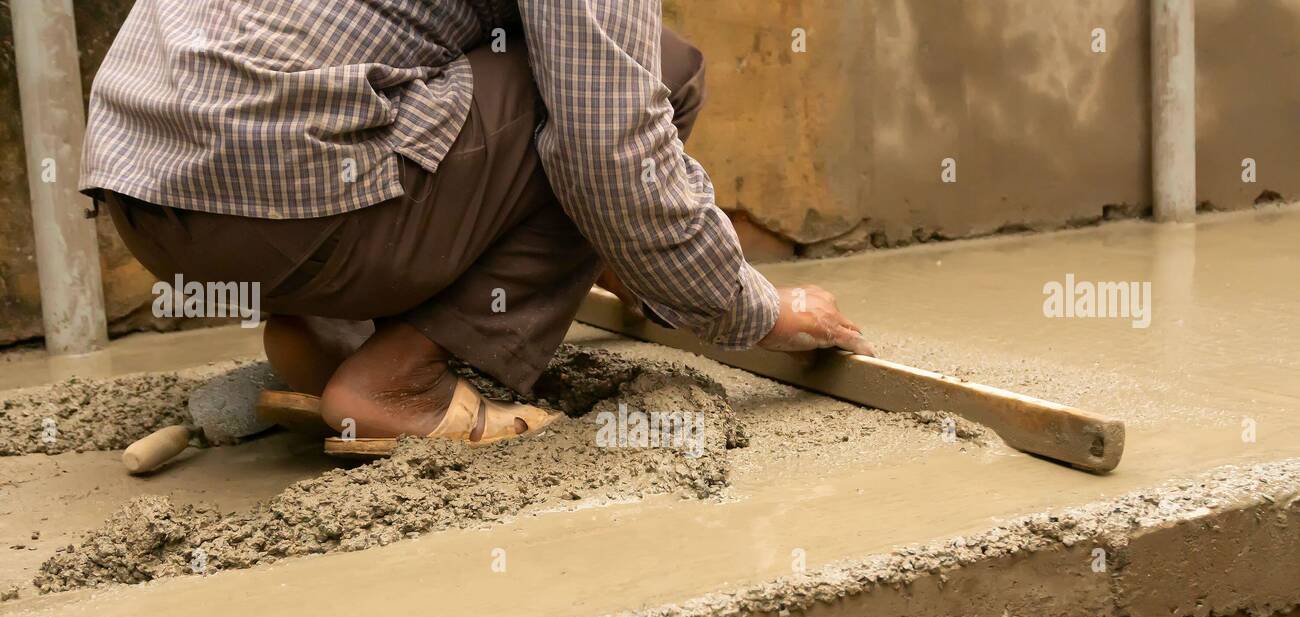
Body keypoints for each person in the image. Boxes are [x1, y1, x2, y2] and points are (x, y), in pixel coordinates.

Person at [81, 0, 872, 451]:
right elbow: (609, 147)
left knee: (443, 56)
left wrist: (614, 251)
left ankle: (320, 325)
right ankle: (399, 381)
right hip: (291, 201)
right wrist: (753, 307)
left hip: (151, 202)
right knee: (657, 73)